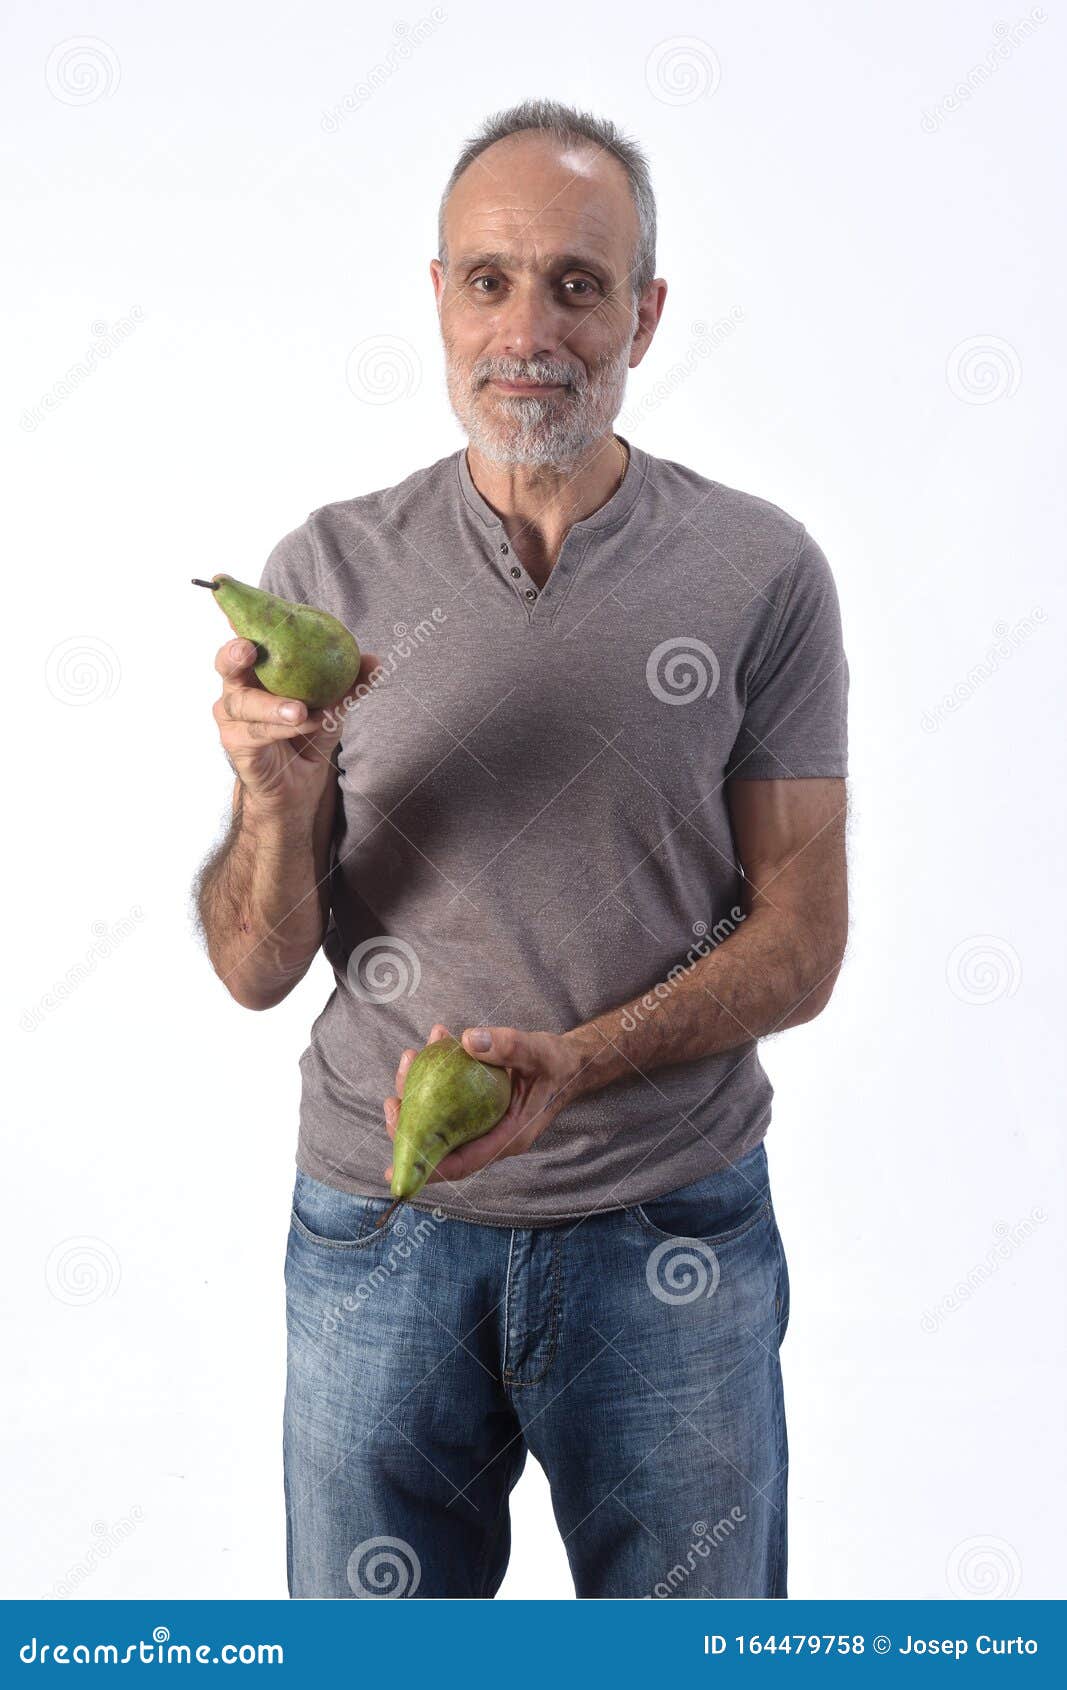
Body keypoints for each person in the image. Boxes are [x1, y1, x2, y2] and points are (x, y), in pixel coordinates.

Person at [194, 99, 849, 1600]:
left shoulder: (761, 570)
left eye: (578, 281)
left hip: (670, 1224)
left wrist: (583, 1060)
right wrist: (275, 801)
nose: (529, 325)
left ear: (646, 311)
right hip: (378, 1228)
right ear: (438, 297)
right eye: (489, 279)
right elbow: (253, 967)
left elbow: (802, 937)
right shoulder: (329, 573)